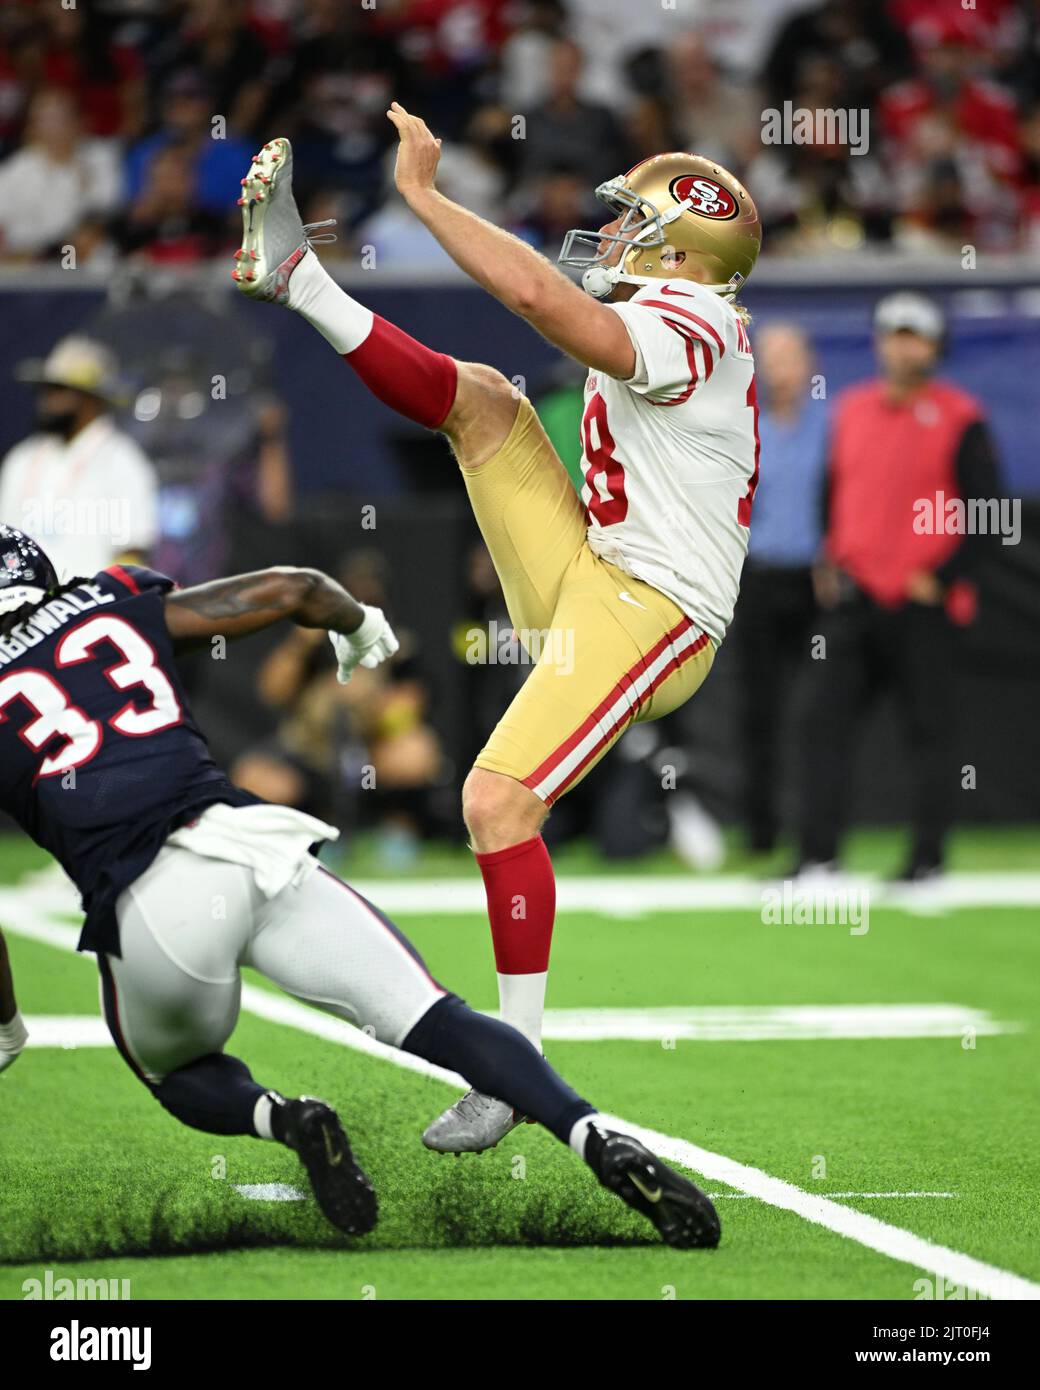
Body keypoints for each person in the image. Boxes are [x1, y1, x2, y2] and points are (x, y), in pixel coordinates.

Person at [233, 116, 761, 1152]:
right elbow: (545, 311)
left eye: (632, 223)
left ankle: (513, 1068)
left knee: (493, 799)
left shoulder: (696, 320)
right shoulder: (671, 303)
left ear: (686, 252)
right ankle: (295, 275)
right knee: (479, 400)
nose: (610, 235)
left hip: (657, 609)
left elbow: (535, 294)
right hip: (592, 570)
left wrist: (426, 203)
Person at [0, 523, 719, 1250]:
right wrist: (358, 624)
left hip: (150, 902)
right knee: (439, 1017)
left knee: (174, 1069)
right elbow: (295, 588)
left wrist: (4, 1024)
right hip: (257, 849)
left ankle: (287, 1118)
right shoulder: (109, 599)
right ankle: (595, 1136)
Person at [797, 293, 1001, 881]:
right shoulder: (852, 410)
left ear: (934, 347)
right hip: (855, 598)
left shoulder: (961, 415)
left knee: (929, 734)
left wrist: (941, 579)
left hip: (921, 605)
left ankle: (927, 860)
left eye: (914, 336)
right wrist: (828, 555)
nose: (902, 345)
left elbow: (988, 512)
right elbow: (832, 492)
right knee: (821, 727)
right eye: (893, 334)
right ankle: (818, 857)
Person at [733, 323, 828, 853]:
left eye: (789, 356)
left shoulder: (832, 426)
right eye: (770, 358)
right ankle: (762, 834)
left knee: (820, 709)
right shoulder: (748, 427)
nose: (779, 368)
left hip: (818, 584)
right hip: (762, 579)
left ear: (809, 363)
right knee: (759, 709)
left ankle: (819, 824)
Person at [1, 336, 159, 580]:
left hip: (90, 611)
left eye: (60, 390)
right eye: (46, 390)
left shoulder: (122, 462)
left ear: (90, 398)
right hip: (21, 610)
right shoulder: (22, 458)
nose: (47, 401)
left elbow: (131, 552)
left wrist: (111, 606)